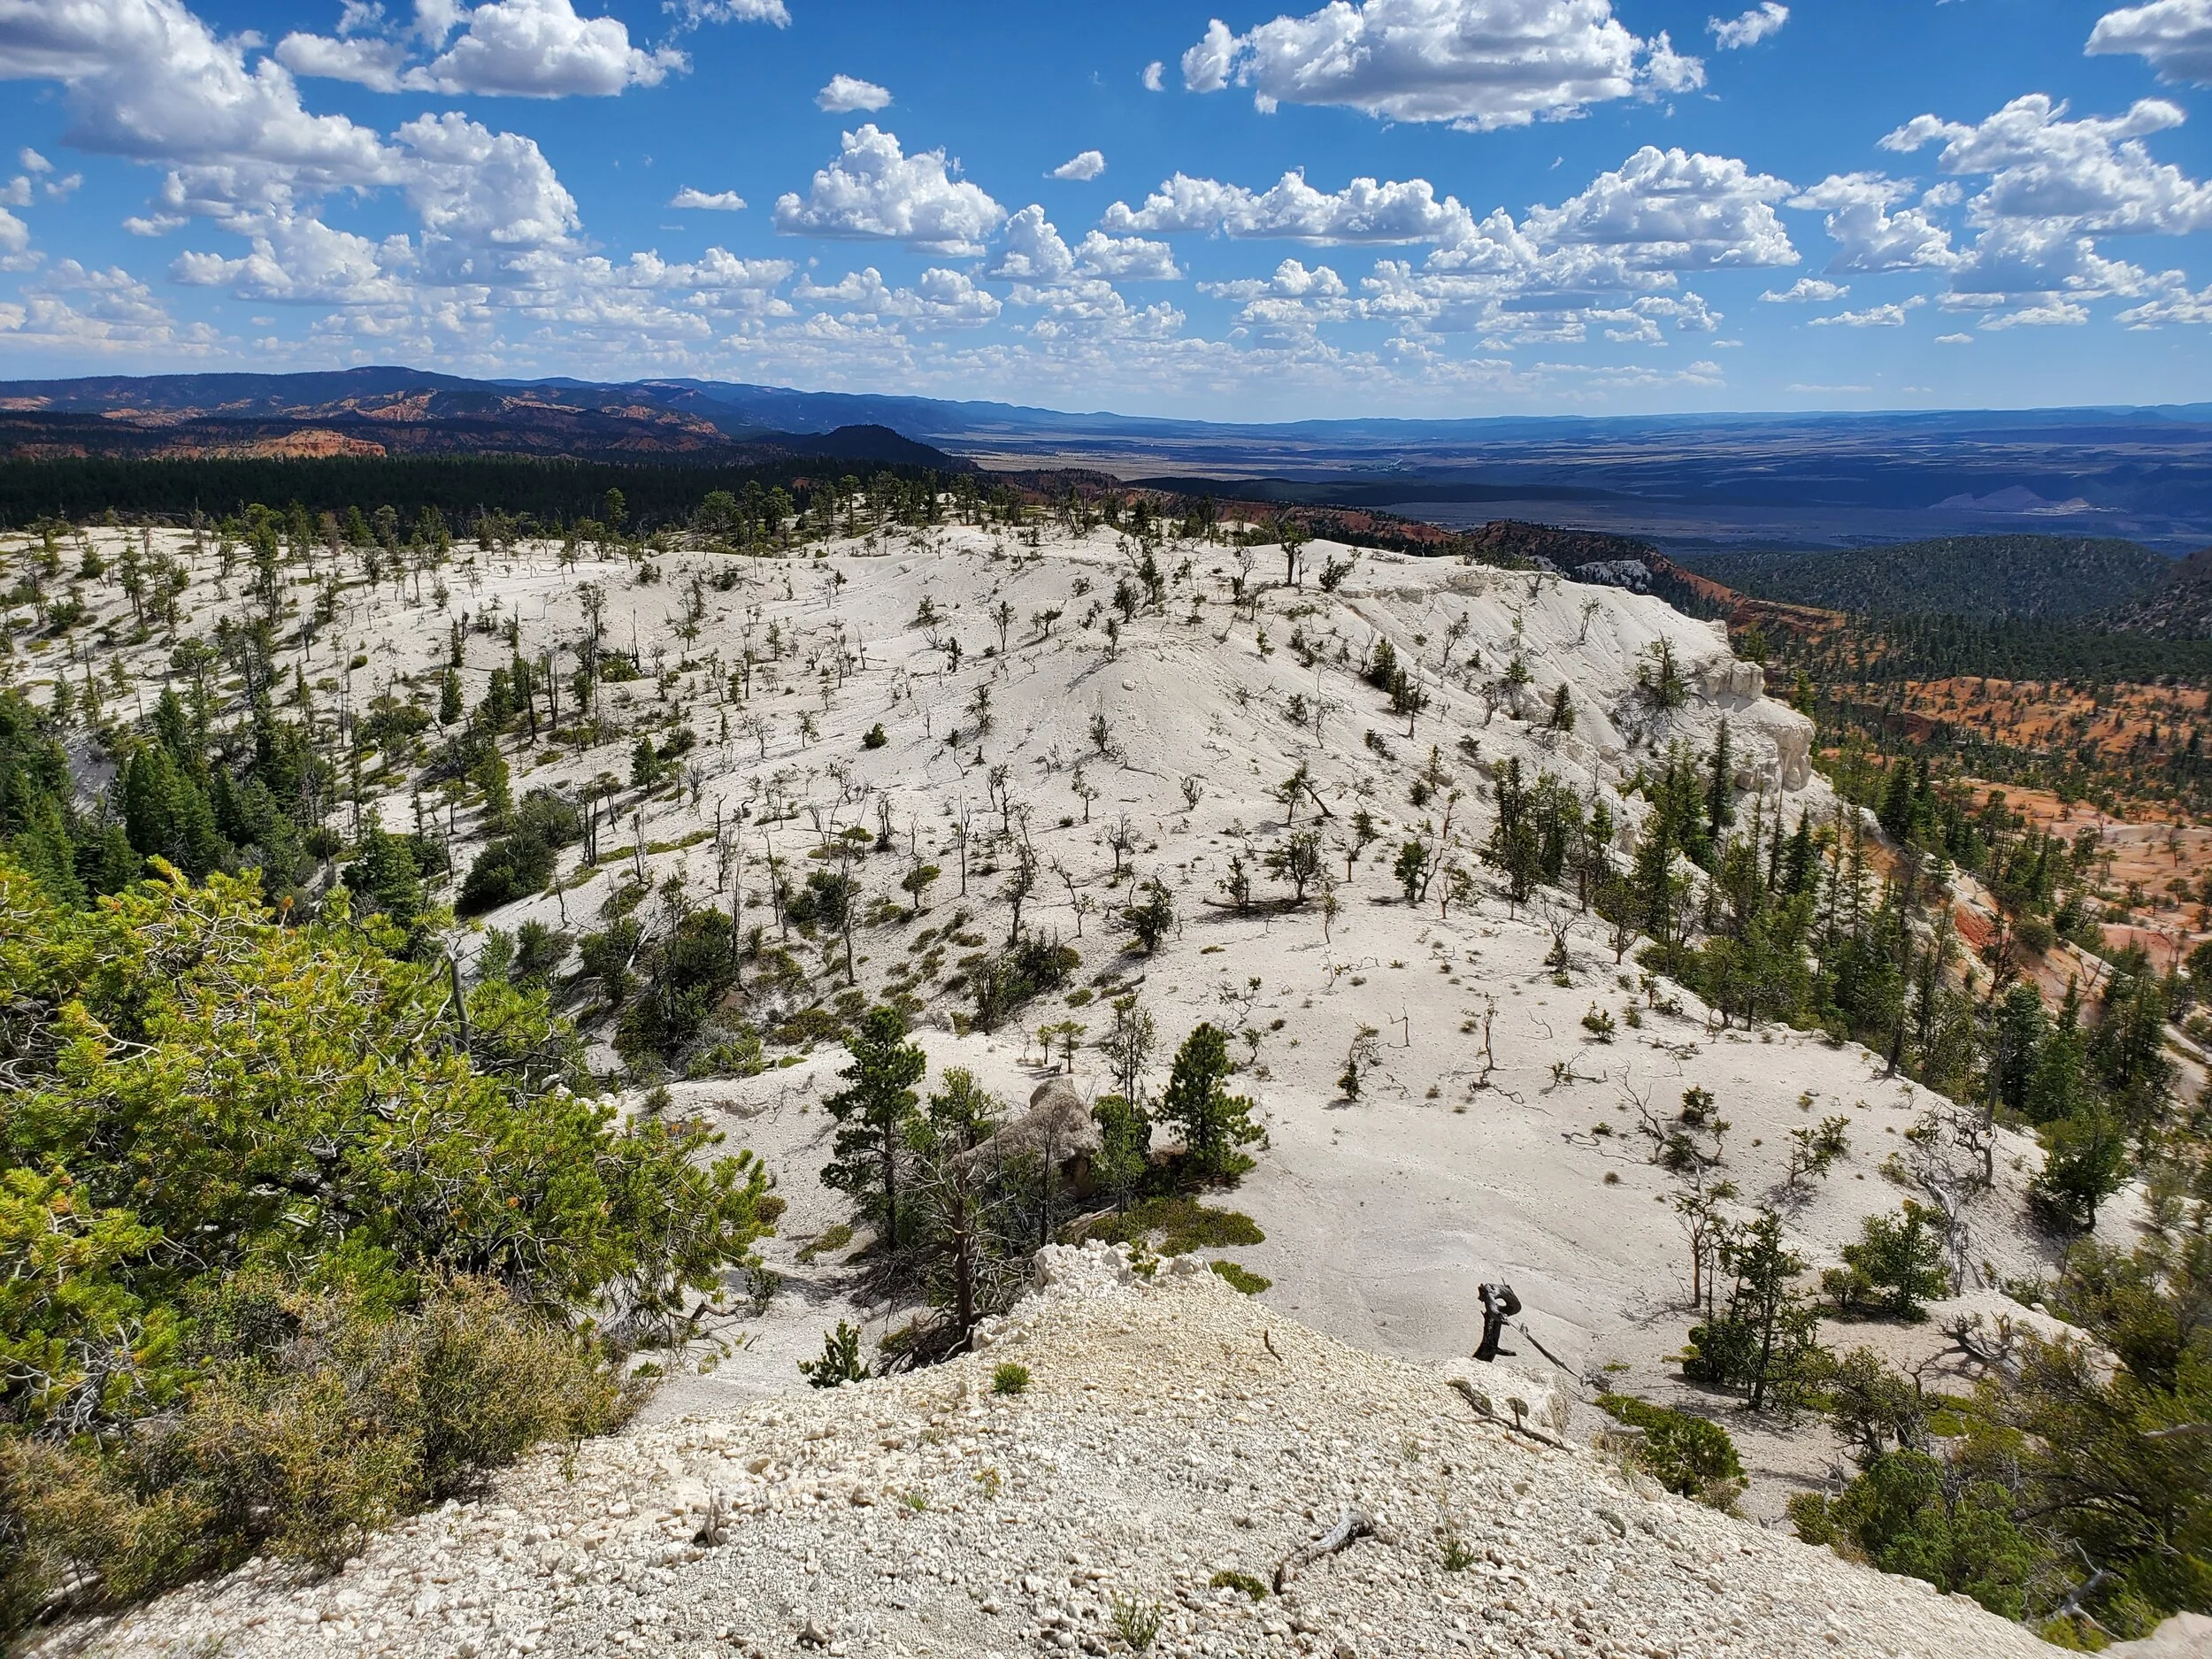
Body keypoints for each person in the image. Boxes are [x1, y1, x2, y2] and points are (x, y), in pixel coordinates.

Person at [1474, 1280, 1521, 1362]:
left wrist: (1499, 1315)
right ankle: (1489, 1347)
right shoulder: (1491, 1293)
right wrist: (1499, 1315)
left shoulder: (1489, 1293)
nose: (1480, 1299)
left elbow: (1492, 1310)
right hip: (1511, 1305)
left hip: (1510, 1305)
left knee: (1492, 1317)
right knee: (1492, 1317)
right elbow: (1492, 1311)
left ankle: (1489, 1347)